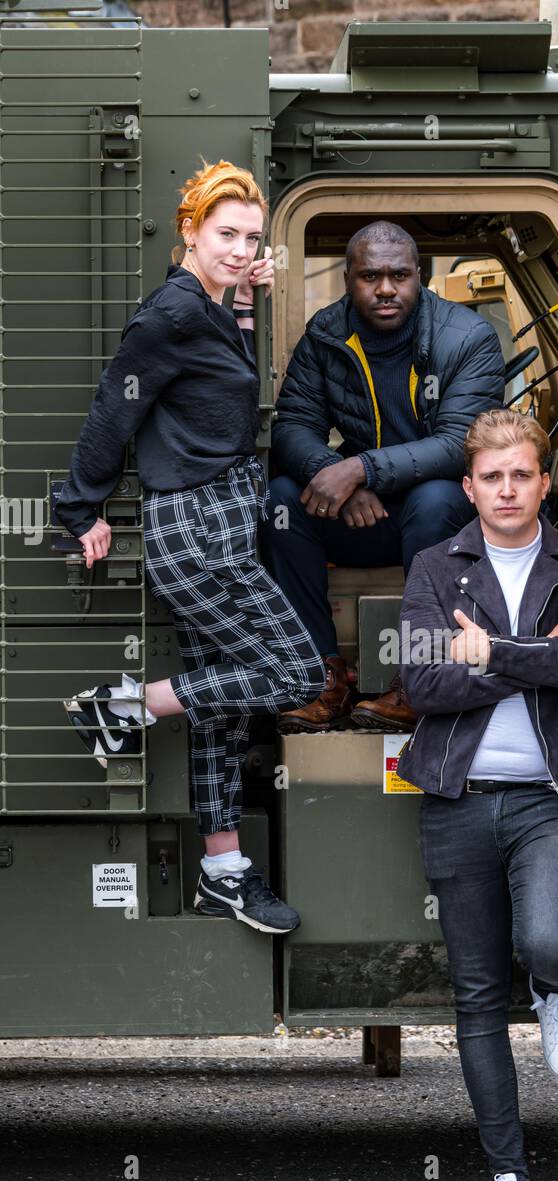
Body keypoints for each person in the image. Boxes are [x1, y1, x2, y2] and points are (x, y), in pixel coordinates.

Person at [55, 160, 326, 935]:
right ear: (188, 232)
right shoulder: (170, 313)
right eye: (225, 235)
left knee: (223, 705)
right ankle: (124, 707)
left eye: (251, 237)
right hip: (200, 532)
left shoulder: (211, 302)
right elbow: (117, 405)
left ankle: (223, 870)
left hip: (223, 518)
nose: (242, 249)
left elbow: (221, 375)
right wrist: (79, 506)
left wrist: (247, 295)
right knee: (295, 669)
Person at [396, 408, 558, 1181]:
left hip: (546, 798)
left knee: (551, 944)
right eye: (491, 477)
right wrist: (532, 659)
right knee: (476, 998)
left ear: (542, 481)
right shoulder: (434, 565)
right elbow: (421, 683)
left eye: (521, 474)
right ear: (469, 486)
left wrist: (490, 653)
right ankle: (510, 1180)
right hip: (458, 798)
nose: (506, 489)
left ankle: (554, 987)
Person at [261, 220, 506, 733]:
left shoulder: (466, 337)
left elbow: (462, 444)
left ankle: (420, 678)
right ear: (348, 278)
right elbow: (291, 429)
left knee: (438, 498)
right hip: (365, 516)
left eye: (400, 275)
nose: (387, 289)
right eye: (371, 276)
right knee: (283, 498)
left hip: (438, 523)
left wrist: (360, 469)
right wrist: (334, 475)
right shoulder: (326, 334)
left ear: (420, 275)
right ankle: (320, 677)